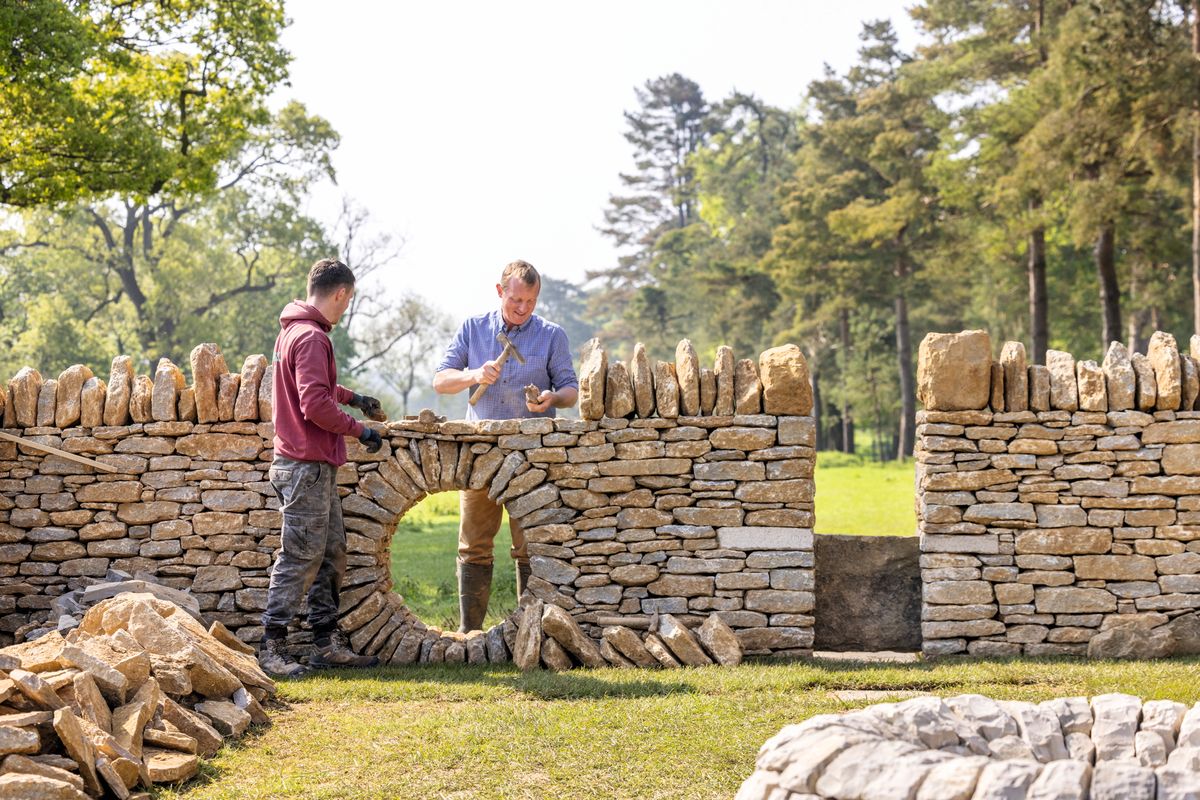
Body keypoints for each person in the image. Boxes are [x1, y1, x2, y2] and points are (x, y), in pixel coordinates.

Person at [258, 258, 388, 679]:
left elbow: (316, 386)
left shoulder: (293, 331)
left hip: (308, 467)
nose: (345, 309)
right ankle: (271, 647)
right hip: (304, 466)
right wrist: (360, 431)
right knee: (300, 556)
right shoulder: (313, 337)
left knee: (331, 552)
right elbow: (314, 405)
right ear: (341, 294)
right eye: (347, 301)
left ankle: (325, 644)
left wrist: (354, 397)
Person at [433, 260, 579, 632]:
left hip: (532, 458)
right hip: (480, 452)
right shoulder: (473, 329)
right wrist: (474, 374)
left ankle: (527, 630)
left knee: (530, 543)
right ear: (500, 292)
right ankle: (471, 634)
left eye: (530, 301)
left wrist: (550, 398)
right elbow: (441, 381)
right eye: (516, 300)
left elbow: (570, 390)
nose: (523, 308)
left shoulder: (551, 335)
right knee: (474, 544)